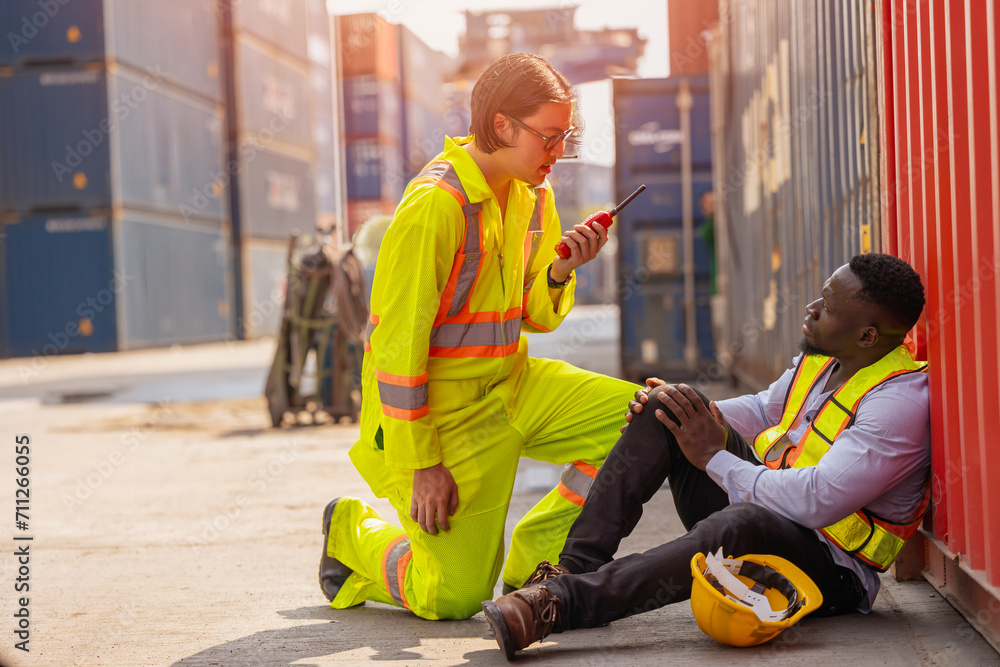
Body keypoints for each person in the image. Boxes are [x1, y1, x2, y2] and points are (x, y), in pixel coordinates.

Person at [318, 53, 640, 621]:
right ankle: (353, 533)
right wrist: (423, 463)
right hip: (443, 418)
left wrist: (562, 269)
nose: (556, 153)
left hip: (511, 385)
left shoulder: (532, 192)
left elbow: (534, 316)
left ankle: (534, 569)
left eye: (564, 137)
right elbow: (396, 350)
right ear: (501, 126)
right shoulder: (433, 208)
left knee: (644, 421)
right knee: (452, 597)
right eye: (548, 136)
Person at [482, 253, 931, 658]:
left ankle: (564, 604)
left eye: (828, 308)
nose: (812, 309)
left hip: (832, 570)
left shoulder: (898, 405)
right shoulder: (828, 359)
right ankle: (569, 572)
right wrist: (689, 413)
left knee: (741, 523)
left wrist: (713, 455)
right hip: (772, 515)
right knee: (667, 408)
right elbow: (761, 409)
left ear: (868, 335)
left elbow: (817, 500)